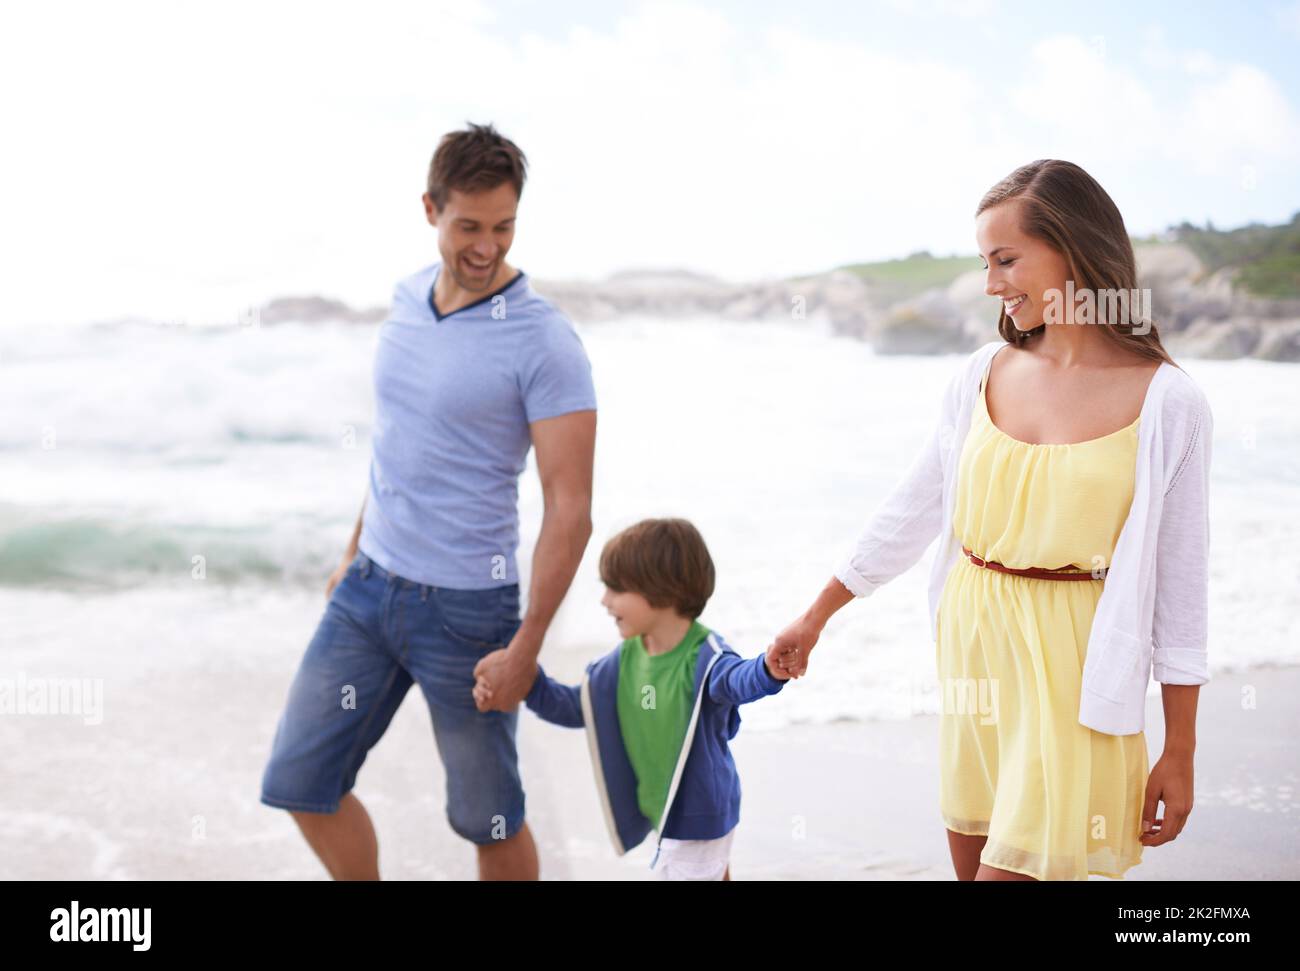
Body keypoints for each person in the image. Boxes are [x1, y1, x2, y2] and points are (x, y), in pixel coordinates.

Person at [770, 159, 1213, 881]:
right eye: (984, 262)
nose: (990, 283)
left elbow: (1182, 587)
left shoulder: (1170, 404)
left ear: (1074, 250)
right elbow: (912, 509)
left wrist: (1180, 749)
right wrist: (818, 614)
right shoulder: (980, 373)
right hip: (975, 663)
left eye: (1006, 259)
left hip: (1076, 679)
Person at [259, 122, 598, 880]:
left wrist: (527, 646)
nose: (486, 247)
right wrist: (352, 556)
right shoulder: (406, 299)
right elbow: (396, 439)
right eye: (468, 226)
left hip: (469, 611)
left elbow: (569, 509)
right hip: (370, 589)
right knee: (302, 782)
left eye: (504, 227)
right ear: (430, 209)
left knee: (490, 818)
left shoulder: (545, 341)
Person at [477, 518, 790, 880]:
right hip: (665, 811)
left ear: (663, 590)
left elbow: (739, 681)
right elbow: (579, 708)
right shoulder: (625, 659)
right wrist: (528, 683)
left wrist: (768, 668)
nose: (605, 600)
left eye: (616, 588)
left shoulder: (703, 658)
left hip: (699, 815)